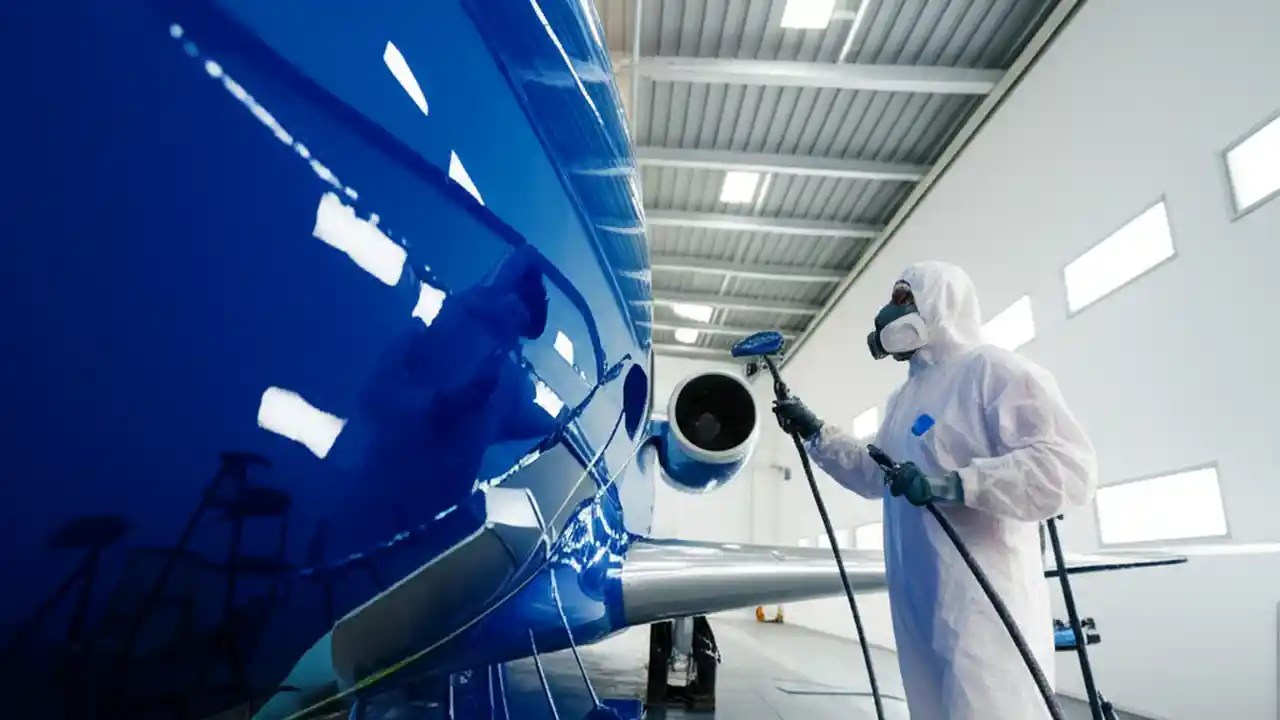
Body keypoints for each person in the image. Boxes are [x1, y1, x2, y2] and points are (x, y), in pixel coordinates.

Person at [774, 261, 1098, 720]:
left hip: (983, 605)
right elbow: (875, 474)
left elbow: (1067, 467)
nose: (888, 312)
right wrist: (816, 433)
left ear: (941, 304)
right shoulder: (904, 399)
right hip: (921, 602)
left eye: (903, 298)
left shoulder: (991, 371)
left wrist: (952, 484)